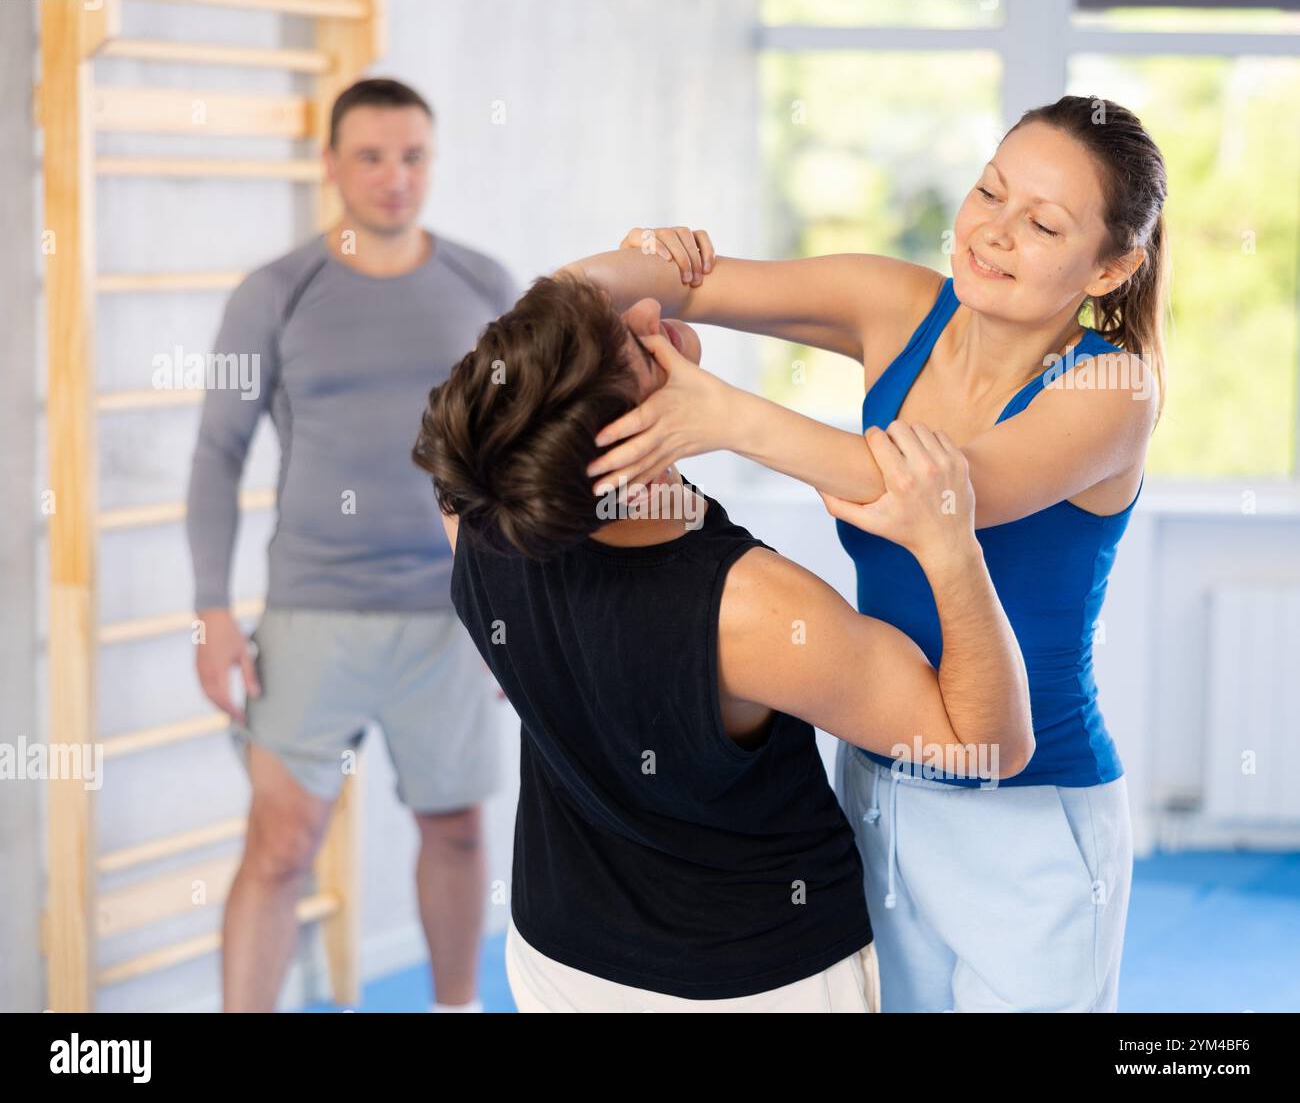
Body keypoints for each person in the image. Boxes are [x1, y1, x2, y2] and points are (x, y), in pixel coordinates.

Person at [564, 95, 1166, 1011]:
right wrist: (652, 258)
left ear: (1113, 267)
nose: (993, 234)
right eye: (988, 194)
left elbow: (930, 495)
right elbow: (642, 286)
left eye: (1043, 224)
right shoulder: (894, 303)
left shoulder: (1116, 389)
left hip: (1032, 818)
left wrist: (728, 416)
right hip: (877, 782)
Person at [411, 272, 1034, 1012]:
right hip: (754, 983)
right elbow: (988, 745)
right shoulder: (752, 610)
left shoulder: (479, 511)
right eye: (634, 344)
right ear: (633, 444)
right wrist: (952, 548)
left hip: (556, 958)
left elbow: (524, 361)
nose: (647, 308)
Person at [186, 78, 516, 1012]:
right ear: (331, 165)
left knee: (455, 831)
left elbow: (519, 458)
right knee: (282, 844)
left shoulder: (484, 285)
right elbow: (217, 454)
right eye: (370, 156)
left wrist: (516, 607)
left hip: (449, 616)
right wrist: (211, 610)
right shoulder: (277, 292)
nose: (394, 178)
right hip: (312, 612)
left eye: (413, 156)